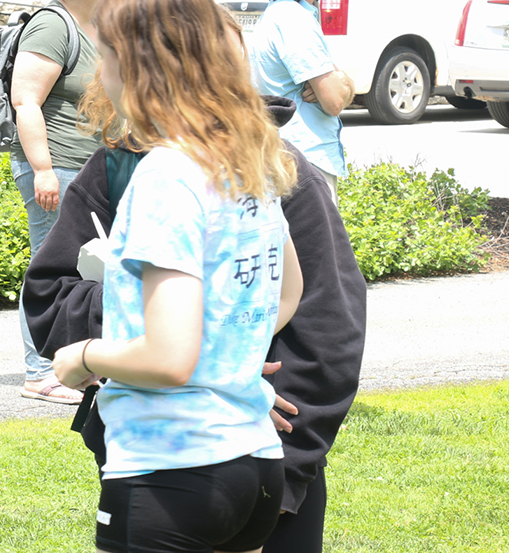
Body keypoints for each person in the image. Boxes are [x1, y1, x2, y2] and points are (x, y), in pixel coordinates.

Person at [23, 74, 367, 553]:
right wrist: (220, 356)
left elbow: (329, 325)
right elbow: (48, 296)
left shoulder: (185, 172)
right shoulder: (125, 167)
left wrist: (89, 354)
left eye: (112, 52)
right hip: (229, 459)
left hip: (241, 465)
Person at [50, 0, 304, 553]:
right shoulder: (246, 160)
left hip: (172, 471)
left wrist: (79, 356)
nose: (100, 73)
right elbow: (287, 291)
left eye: (105, 56)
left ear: (139, 65)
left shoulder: (166, 173)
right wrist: (225, 353)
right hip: (256, 463)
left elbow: (167, 359)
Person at [10, 0, 116, 404]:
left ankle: (76, 363)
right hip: (57, 168)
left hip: (87, 170)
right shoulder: (52, 27)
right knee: (50, 266)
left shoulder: (94, 25)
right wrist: (43, 169)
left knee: (87, 268)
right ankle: (39, 372)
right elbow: (26, 101)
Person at [251, 0, 356, 200]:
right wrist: (343, 84)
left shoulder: (286, 13)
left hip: (293, 159)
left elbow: (334, 89)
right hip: (306, 164)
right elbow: (334, 101)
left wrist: (341, 81)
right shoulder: (293, 19)